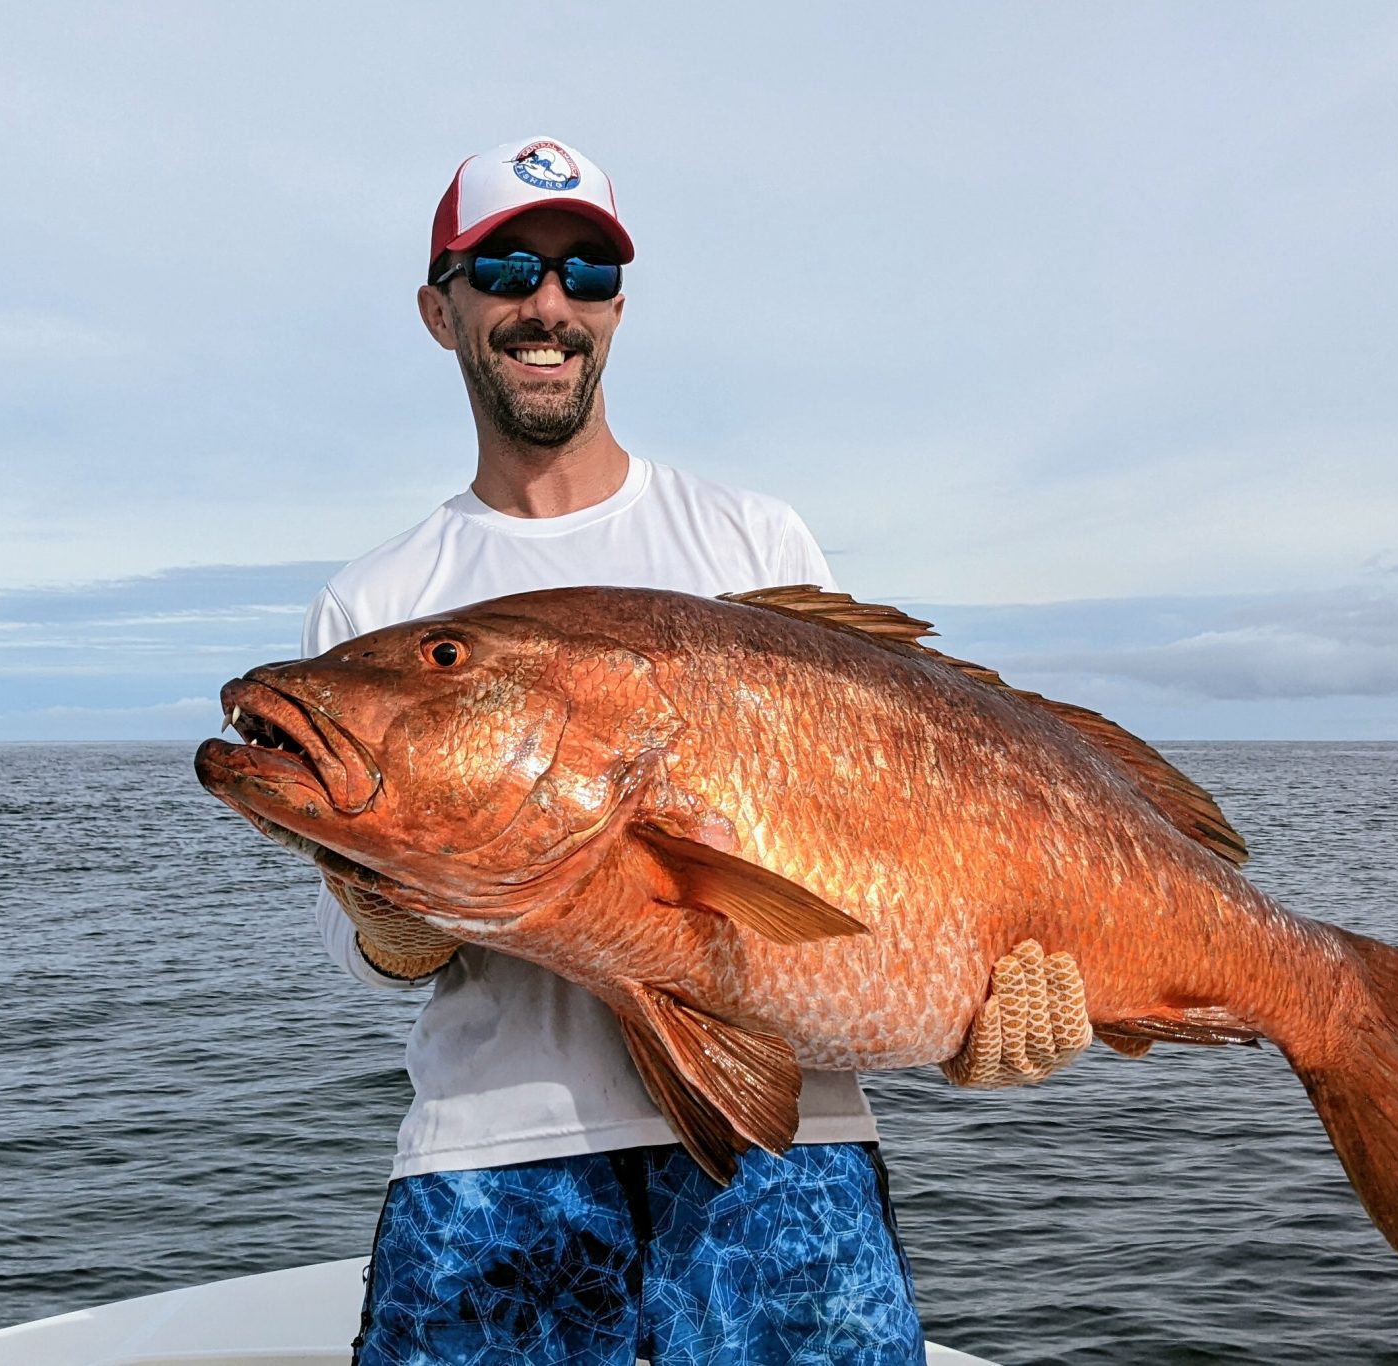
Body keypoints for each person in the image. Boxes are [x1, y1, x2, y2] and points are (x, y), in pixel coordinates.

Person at [304, 136, 927, 1365]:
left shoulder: (753, 542)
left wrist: (990, 1008)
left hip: (781, 1145)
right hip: (494, 1151)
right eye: (507, 269)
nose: (547, 303)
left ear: (617, 309)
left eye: (585, 272)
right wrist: (392, 913)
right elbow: (364, 961)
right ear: (441, 310)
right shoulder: (371, 605)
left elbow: (886, 847)